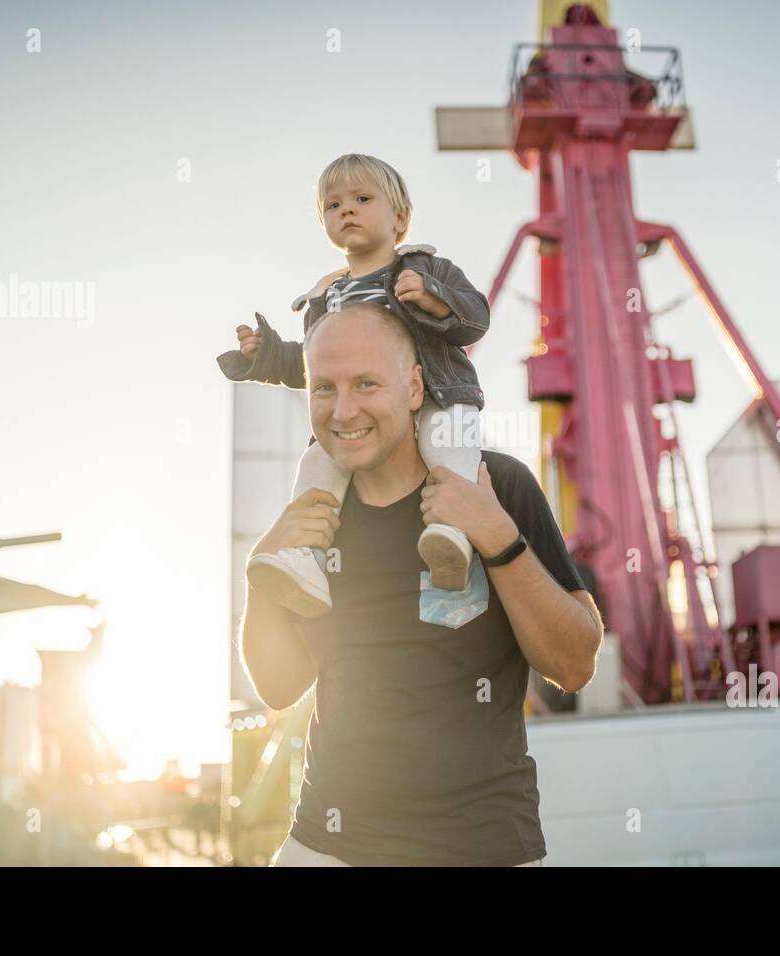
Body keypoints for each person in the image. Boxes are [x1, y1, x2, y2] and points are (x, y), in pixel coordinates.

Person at [240, 300, 603, 866]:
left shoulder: (497, 485)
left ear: (414, 387)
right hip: (330, 844)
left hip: (482, 847)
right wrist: (261, 572)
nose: (343, 411)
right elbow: (280, 687)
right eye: (323, 389)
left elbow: (576, 663)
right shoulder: (314, 515)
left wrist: (497, 537)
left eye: (366, 384)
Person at [217, 153, 490, 616]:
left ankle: (453, 537)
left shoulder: (427, 269)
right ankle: (307, 559)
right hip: (358, 416)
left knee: (452, 445)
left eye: (362, 199)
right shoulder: (325, 298)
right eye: (332, 205)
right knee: (316, 465)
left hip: (437, 395)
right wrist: (263, 354)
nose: (346, 210)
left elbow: (475, 317)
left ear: (400, 217)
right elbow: (309, 367)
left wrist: (434, 298)